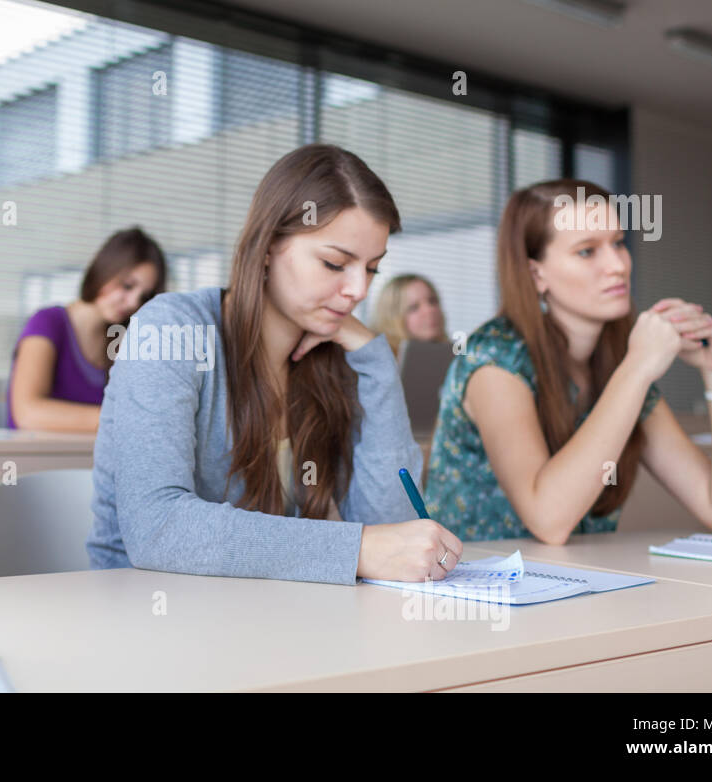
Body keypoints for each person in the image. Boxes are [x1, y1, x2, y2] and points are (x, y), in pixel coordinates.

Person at [87, 144, 462, 585]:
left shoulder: (334, 358)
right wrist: (356, 549)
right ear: (267, 247)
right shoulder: (169, 328)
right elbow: (157, 529)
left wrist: (376, 360)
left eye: (372, 269)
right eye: (335, 263)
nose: (358, 290)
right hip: (146, 611)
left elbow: (389, 529)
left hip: (265, 614)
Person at [425, 179, 712, 543]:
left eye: (618, 243)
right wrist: (637, 367)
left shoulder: (618, 363)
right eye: (587, 251)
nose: (617, 265)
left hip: (577, 590)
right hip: (477, 593)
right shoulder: (494, 359)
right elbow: (549, 520)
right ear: (535, 274)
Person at [6, 227, 165, 432]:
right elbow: (28, 414)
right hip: (37, 458)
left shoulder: (121, 341)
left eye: (144, 296)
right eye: (127, 286)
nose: (133, 302)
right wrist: (124, 419)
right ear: (105, 270)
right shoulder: (47, 322)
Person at [369, 273, 448, 356]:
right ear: (392, 318)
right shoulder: (379, 359)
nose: (430, 310)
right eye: (414, 307)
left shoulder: (455, 357)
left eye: (432, 301)